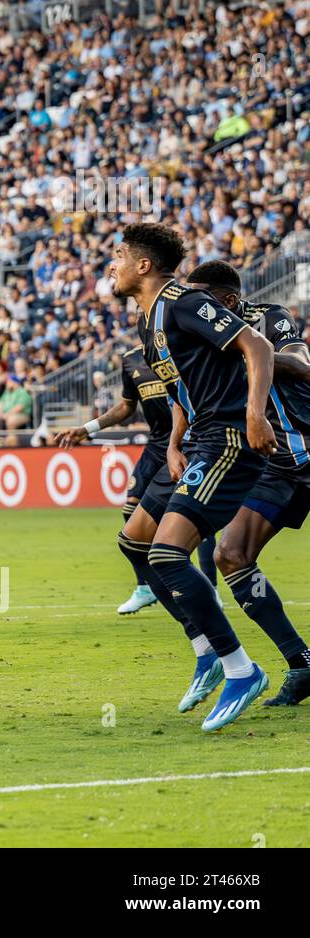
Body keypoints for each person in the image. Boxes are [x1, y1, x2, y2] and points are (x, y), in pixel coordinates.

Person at [111, 224, 277, 731]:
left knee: (165, 553)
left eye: (119, 256)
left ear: (144, 265)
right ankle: (210, 652)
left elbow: (257, 347)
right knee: (142, 546)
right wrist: (176, 441)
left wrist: (254, 411)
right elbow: (182, 389)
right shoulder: (148, 320)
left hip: (229, 438)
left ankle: (240, 669)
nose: (111, 265)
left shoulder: (182, 301)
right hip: (199, 440)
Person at [186, 260, 310, 707]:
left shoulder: (267, 318)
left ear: (230, 302)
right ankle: (301, 663)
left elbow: (301, 363)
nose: (193, 306)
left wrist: (249, 350)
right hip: (274, 466)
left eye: (203, 299)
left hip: (307, 445)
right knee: (230, 554)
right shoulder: (199, 340)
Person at [58, 344, 217, 616]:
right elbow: (126, 406)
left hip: (189, 442)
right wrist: (87, 429)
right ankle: (145, 587)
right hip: (157, 444)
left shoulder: (179, 347)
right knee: (131, 508)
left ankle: (209, 588)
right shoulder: (130, 359)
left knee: (195, 510)